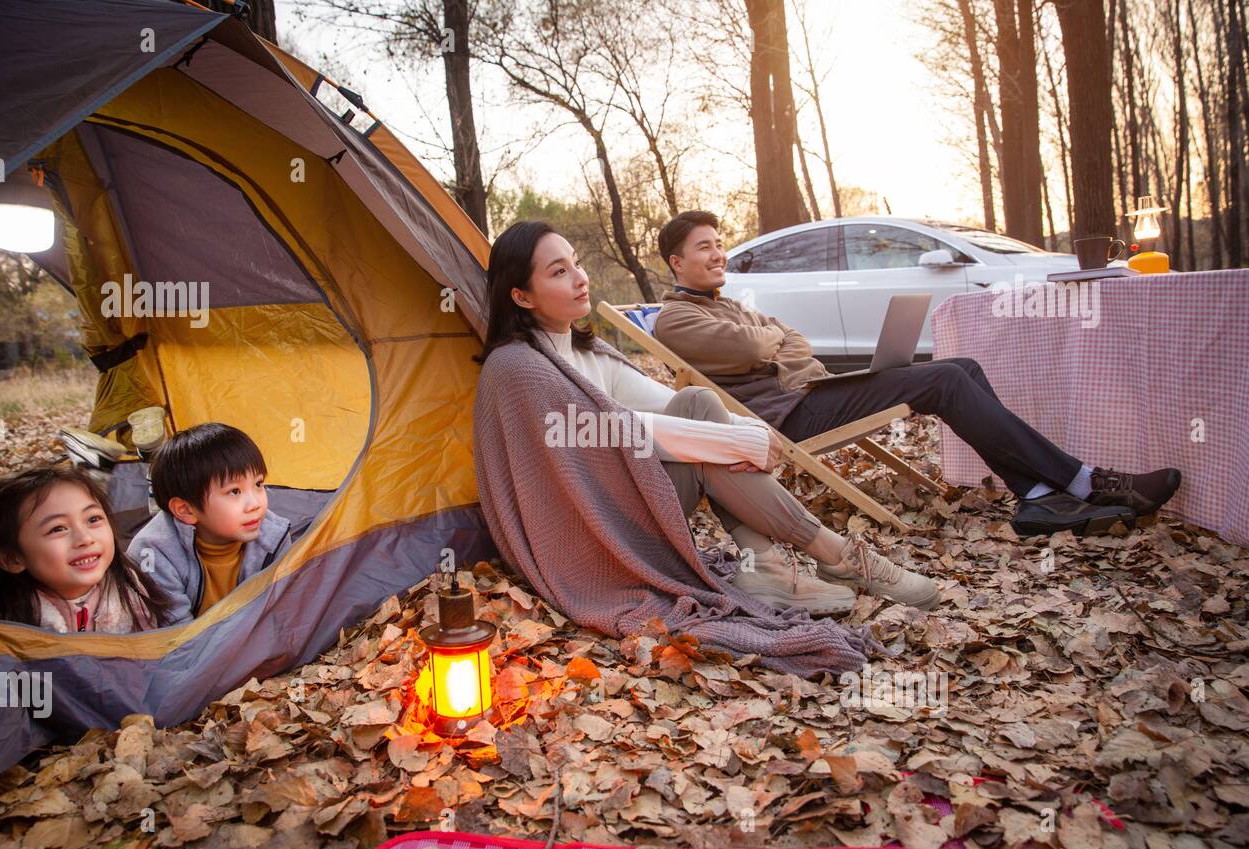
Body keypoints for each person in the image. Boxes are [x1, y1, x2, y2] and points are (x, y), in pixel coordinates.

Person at [474, 221, 940, 613]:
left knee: (698, 402)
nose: (580, 277)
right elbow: (620, 432)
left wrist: (749, 428)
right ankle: (836, 555)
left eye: (576, 262)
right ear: (521, 295)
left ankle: (767, 569)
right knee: (703, 451)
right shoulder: (520, 368)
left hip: (628, 496)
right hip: (591, 532)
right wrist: (737, 444)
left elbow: (660, 402)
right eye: (559, 271)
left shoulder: (584, 349)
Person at [652, 210, 1182, 537]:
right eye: (705, 247)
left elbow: (792, 339)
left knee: (963, 367)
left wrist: (772, 345)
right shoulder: (676, 318)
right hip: (786, 418)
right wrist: (771, 343)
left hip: (810, 392)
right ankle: (1085, 482)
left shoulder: (727, 302)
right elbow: (761, 340)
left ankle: (1039, 498)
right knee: (944, 381)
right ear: (676, 263)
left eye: (719, 242)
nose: (719, 253)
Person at [129, 422, 291, 625]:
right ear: (186, 510)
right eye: (234, 491)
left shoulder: (274, 536)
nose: (255, 504)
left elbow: (284, 610)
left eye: (258, 484)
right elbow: (172, 638)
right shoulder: (155, 554)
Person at [0, 466, 165, 633]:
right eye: (57, 529)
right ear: (12, 559)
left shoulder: (131, 591)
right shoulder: (3, 622)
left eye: (93, 519)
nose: (85, 539)